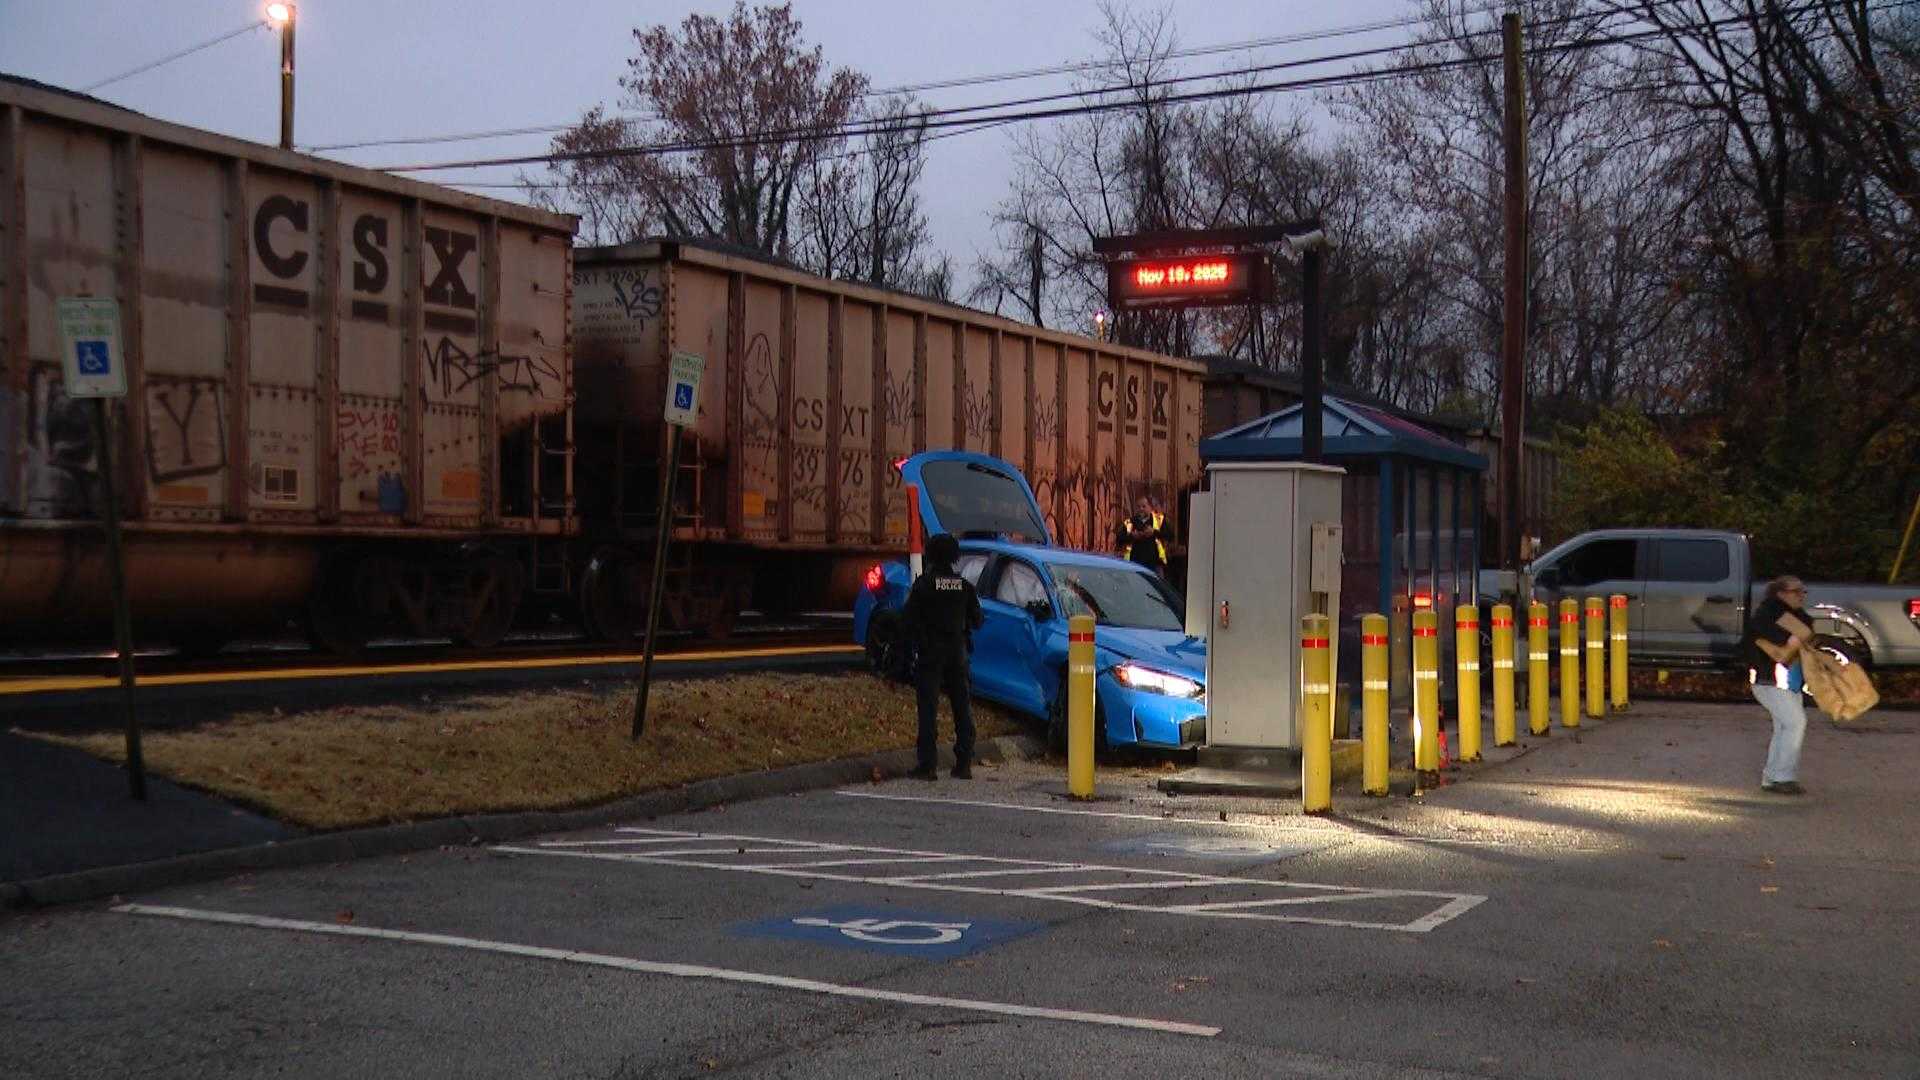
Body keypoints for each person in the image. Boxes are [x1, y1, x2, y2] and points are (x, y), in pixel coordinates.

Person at [902, 532, 984, 780]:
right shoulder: (964, 586)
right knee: (961, 706)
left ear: (931, 555)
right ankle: (964, 762)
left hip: (930, 653)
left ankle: (927, 765)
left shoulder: (924, 586)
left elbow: (908, 620)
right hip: (957, 652)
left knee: (928, 708)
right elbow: (978, 620)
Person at [1742, 575, 1815, 794]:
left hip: (1787, 682)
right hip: (1770, 679)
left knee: (1784, 727)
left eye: (1803, 591)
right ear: (1781, 594)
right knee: (1795, 723)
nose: (1802, 595)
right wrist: (1794, 640)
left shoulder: (1797, 617)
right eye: (1796, 591)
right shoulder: (1766, 617)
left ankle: (1772, 777)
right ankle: (1782, 777)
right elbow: (1775, 644)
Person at [1124, 494, 1170, 578]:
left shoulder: (1159, 520)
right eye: (1138, 507)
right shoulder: (1130, 521)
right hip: (1135, 564)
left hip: (1155, 564)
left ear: (1150, 507)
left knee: (1156, 585)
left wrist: (1154, 532)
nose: (1141, 509)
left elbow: (1169, 535)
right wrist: (1132, 536)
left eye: (1144, 506)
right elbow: (1120, 538)